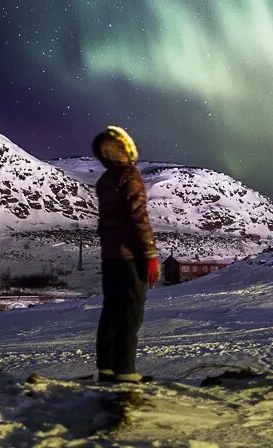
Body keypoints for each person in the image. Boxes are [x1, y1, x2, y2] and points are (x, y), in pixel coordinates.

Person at [93, 125, 159, 383]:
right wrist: (150, 255)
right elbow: (138, 218)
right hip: (130, 257)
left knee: (111, 311)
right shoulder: (129, 176)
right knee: (131, 312)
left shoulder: (105, 180)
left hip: (110, 257)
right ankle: (125, 372)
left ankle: (107, 368)